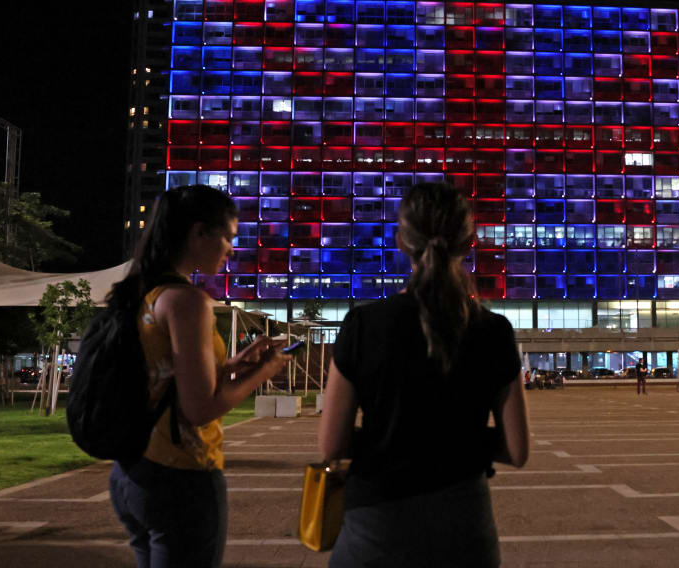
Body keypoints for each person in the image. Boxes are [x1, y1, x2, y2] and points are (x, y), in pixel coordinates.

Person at [320, 182, 530, 568]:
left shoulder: (363, 325)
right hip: (464, 525)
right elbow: (517, 451)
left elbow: (331, 445)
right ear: (470, 242)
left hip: (376, 524)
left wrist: (394, 438)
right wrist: (457, 440)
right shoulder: (493, 330)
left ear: (401, 241)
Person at [106, 185, 291, 568]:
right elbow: (200, 409)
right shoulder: (189, 301)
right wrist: (265, 372)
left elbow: (163, 376)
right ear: (198, 232)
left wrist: (231, 365)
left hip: (132, 472)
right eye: (228, 237)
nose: (231, 249)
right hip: (181, 473)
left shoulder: (145, 293)